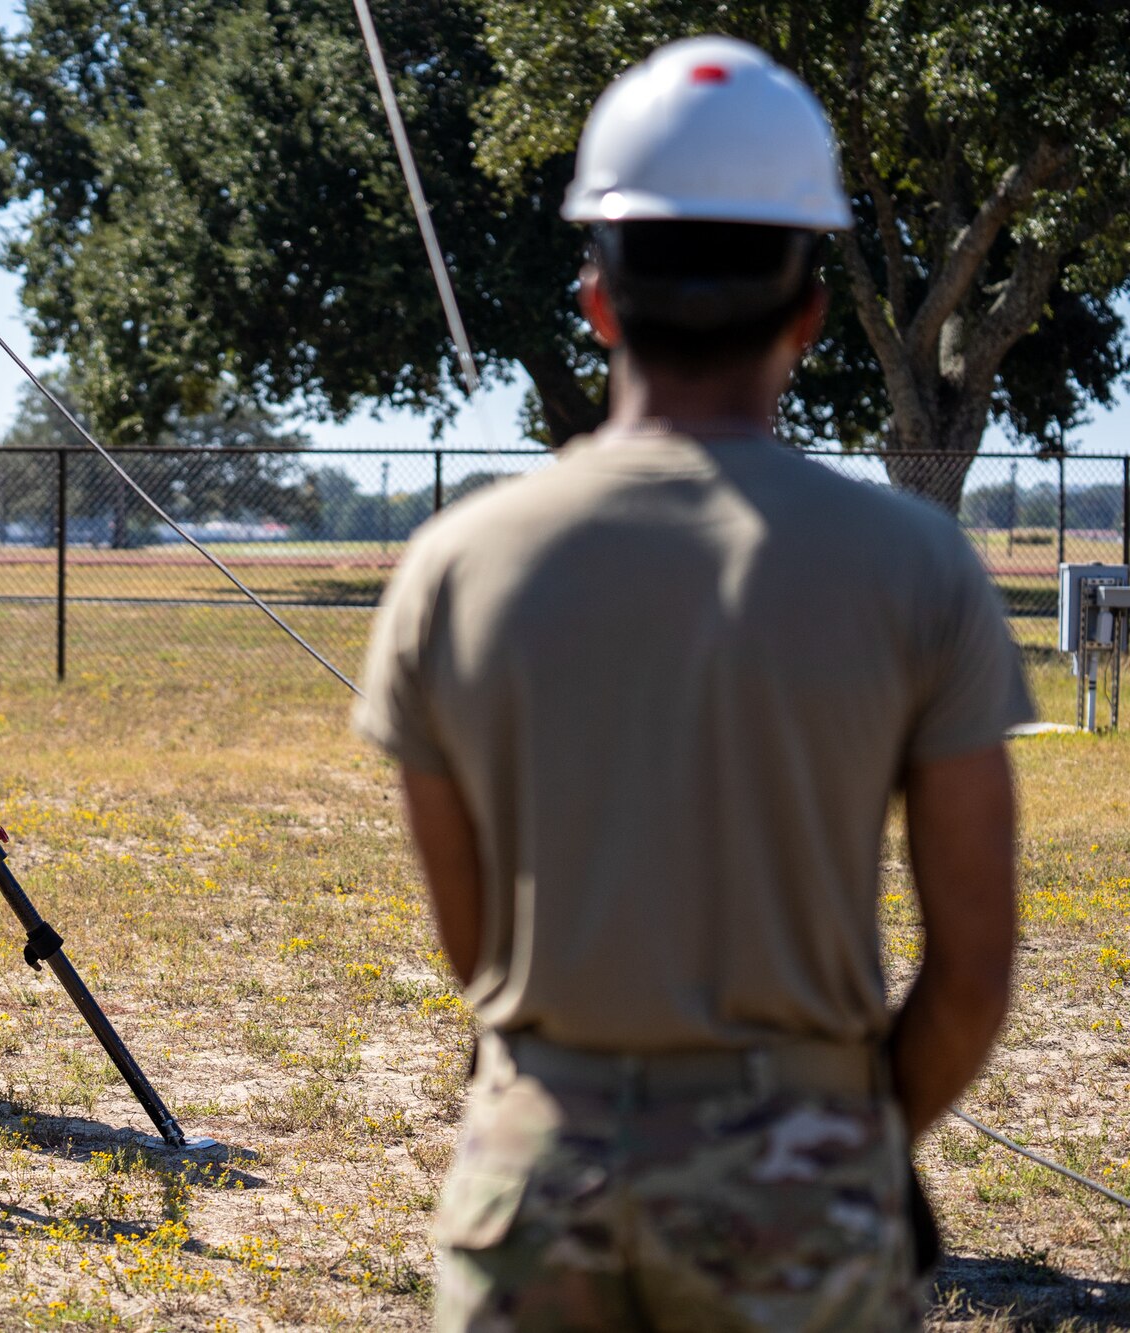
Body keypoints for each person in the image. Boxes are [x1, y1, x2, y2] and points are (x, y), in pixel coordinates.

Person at [355, 38, 1032, 1332]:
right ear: (809, 310)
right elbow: (973, 968)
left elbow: (476, 938)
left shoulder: (456, 564)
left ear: (596, 300)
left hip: (535, 1175)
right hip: (805, 1188)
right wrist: (844, 1129)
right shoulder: (917, 566)